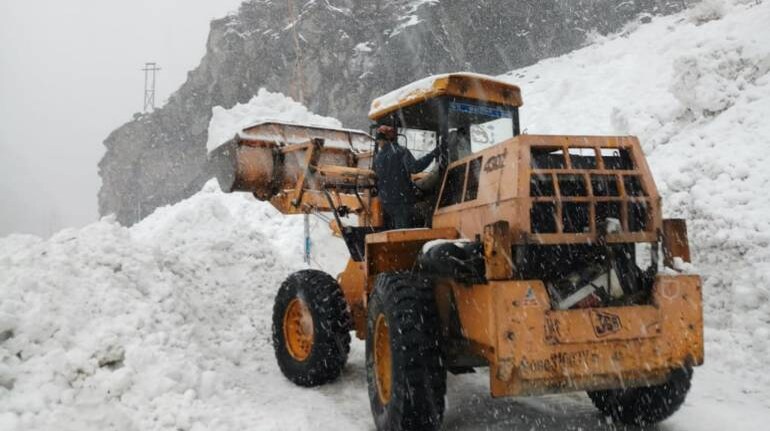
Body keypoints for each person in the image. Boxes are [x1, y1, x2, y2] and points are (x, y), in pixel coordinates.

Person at [372, 125, 439, 229]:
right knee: (404, 230)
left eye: (379, 140)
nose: (379, 143)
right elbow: (415, 168)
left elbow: (382, 176)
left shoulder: (378, 157)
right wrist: (433, 154)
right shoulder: (401, 151)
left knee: (395, 229)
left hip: (386, 201)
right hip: (401, 200)